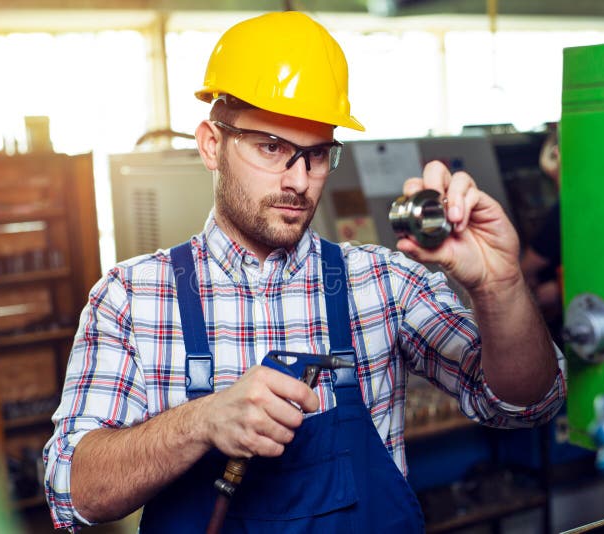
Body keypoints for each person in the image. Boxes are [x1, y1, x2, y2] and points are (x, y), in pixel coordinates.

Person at [43, 11, 565, 532]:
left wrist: (499, 287)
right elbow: (70, 489)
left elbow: (527, 404)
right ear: (211, 145)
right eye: (273, 148)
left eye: (316, 155)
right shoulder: (133, 297)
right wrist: (201, 422)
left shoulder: (384, 283)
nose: (299, 180)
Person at [521, 128, 563, 342]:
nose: (557, 187)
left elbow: (527, 267)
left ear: (558, 155)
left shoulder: (565, 210)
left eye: (554, 178)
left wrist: (559, 289)